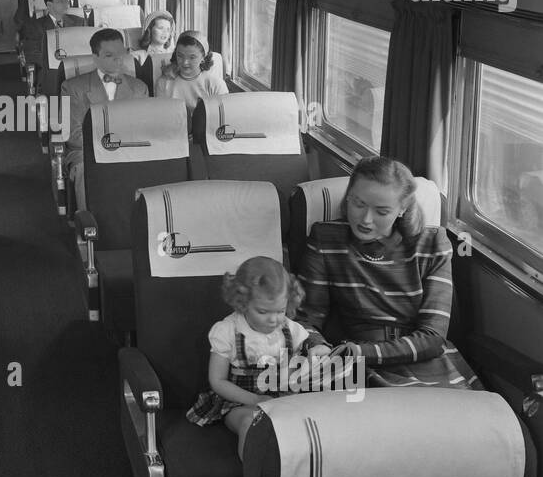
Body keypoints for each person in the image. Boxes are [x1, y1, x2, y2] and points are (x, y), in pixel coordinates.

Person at [297, 155, 481, 388]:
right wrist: (316, 345)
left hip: (421, 358)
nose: (365, 219)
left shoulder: (432, 243)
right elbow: (306, 317)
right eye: (358, 203)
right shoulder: (325, 238)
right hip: (354, 364)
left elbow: (433, 338)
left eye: (381, 212)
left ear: (402, 209)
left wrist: (358, 352)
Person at [186, 256, 331, 456]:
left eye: (280, 310)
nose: (273, 319)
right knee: (253, 424)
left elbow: (311, 340)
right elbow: (217, 381)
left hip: (283, 398)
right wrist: (254, 399)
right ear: (242, 302)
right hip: (240, 401)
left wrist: (318, 349)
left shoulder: (288, 327)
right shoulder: (228, 331)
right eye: (263, 311)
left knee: (308, 423)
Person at [61, 27, 148, 212]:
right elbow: (74, 136)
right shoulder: (72, 87)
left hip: (130, 149)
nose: (118, 59)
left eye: (120, 53)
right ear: (95, 57)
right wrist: (109, 148)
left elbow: (144, 131)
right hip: (86, 151)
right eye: (109, 55)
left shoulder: (139, 88)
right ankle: (88, 226)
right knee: (84, 168)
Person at [156, 33, 228, 107]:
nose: (185, 62)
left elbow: (223, 115)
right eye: (180, 56)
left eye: (192, 57)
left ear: (203, 57)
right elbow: (162, 115)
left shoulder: (216, 85)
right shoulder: (164, 82)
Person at [18, 0, 73, 71]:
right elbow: (32, 54)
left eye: (66, 0)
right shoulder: (33, 26)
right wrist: (60, 65)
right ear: (49, 5)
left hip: (76, 68)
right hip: (50, 71)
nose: (66, 4)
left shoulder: (79, 21)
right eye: (61, 1)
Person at [133, 11, 177, 84]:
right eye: (160, 28)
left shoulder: (175, 54)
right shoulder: (140, 55)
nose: (165, 32)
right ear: (149, 30)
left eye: (168, 29)